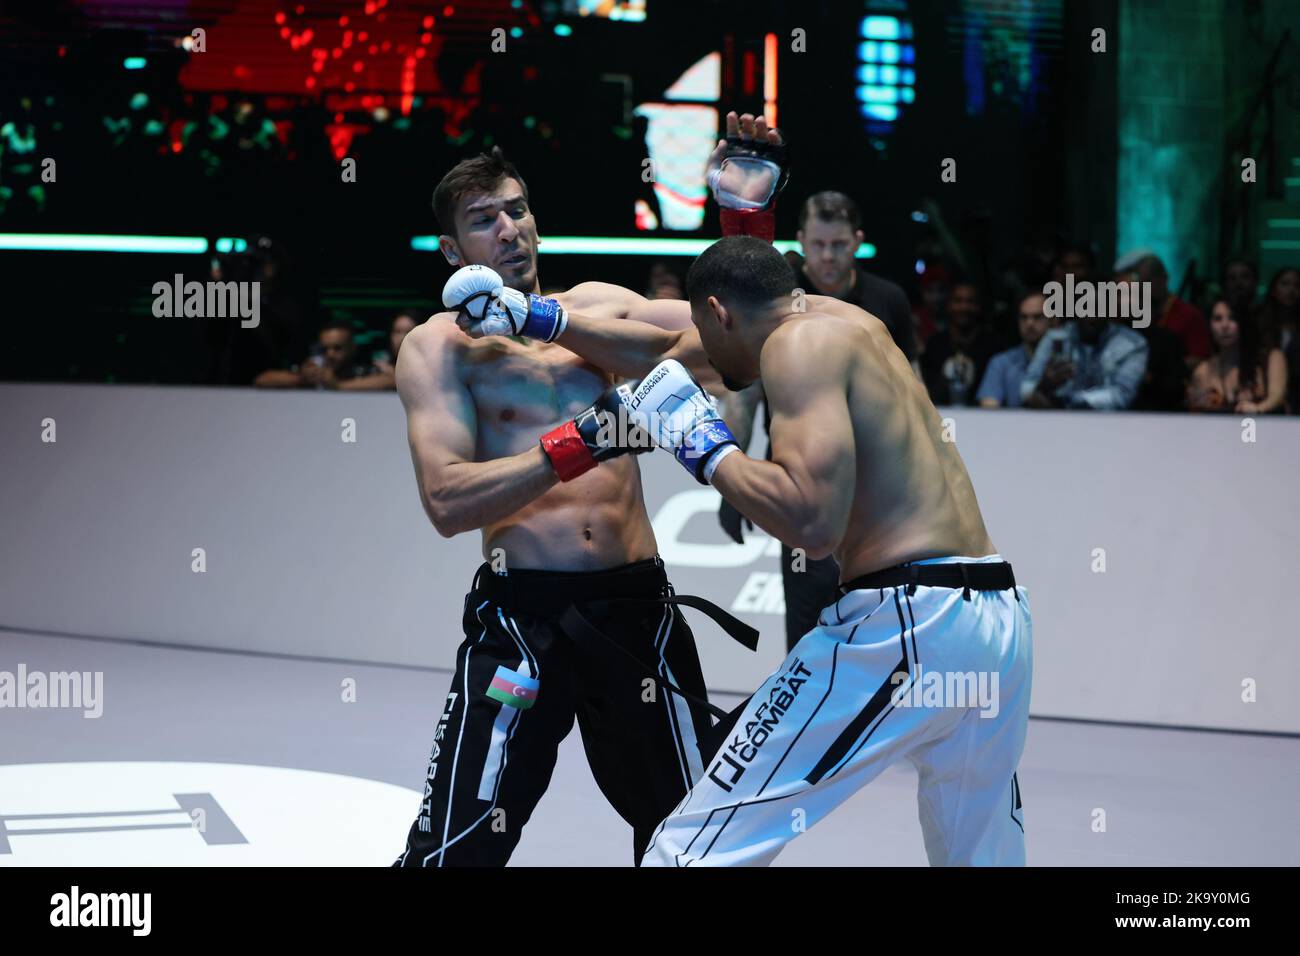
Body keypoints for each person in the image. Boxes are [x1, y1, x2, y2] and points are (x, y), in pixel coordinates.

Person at [493, 236, 1031, 866]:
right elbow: (667, 349)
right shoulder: (843, 321)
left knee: (687, 848)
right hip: (995, 618)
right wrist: (533, 317)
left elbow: (812, 523)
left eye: (704, 332)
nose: (708, 368)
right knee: (982, 860)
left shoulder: (793, 347)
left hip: (906, 626)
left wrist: (706, 446)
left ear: (719, 312)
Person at [392, 113, 776, 867]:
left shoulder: (597, 305)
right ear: (451, 252)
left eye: (517, 209)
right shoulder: (438, 348)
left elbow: (744, 338)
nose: (508, 229)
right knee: (453, 849)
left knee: (698, 839)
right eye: (483, 220)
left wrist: (746, 219)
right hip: (520, 624)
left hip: (634, 613)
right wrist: (577, 443)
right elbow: (446, 501)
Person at [719, 191, 917, 651]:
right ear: (803, 241)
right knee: (806, 634)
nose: (828, 256)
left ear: (858, 242)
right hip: (798, 491)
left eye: (840, 244)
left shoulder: (889, 301)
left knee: (877, 633)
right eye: (820, 244)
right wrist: (733, 483)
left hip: (875, 501)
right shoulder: (775, 299)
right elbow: (746, 394)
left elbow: (914, 397)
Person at [1020, 308, 1149, 411]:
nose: (1092, 316)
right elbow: (1026, 388)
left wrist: (1066, 401)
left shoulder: (1131, 344)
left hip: (1111, 426)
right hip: (1060, 425)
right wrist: (1044, 384)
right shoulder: (1057, 338)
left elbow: (1121, 395)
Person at [1187, 299, 1288, 414]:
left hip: (1268, 429)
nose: (1224, 325)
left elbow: (1277, 397)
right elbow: (1197, 417)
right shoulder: (1203, 371)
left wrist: (1258, 409)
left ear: (1244, 323)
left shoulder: (1272, 358)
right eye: (1218, 319)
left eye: (1232, 318)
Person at [920, 281, 1000, 406]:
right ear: (948, 305)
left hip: (983, 417)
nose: (964, 307)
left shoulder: (993, 345)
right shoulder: (935, 344)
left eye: (970, 302)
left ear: (979, 306)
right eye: (958, 301)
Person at [252, 321, 386, 390]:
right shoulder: (311, 371)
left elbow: (391, 382)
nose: (330, 354)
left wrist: (338, 386)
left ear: (352, 348)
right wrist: (301, 379)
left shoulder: (363, 372)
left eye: (337, 348)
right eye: (325, 348)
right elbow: (261, 380)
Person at [977, 291, 1048, 408]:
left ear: (1053, 320)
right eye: (1024, 317)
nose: (1029, 323)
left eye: (1037, 317)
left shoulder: (1071, 360)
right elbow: (988, 411)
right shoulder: (1001, 363)